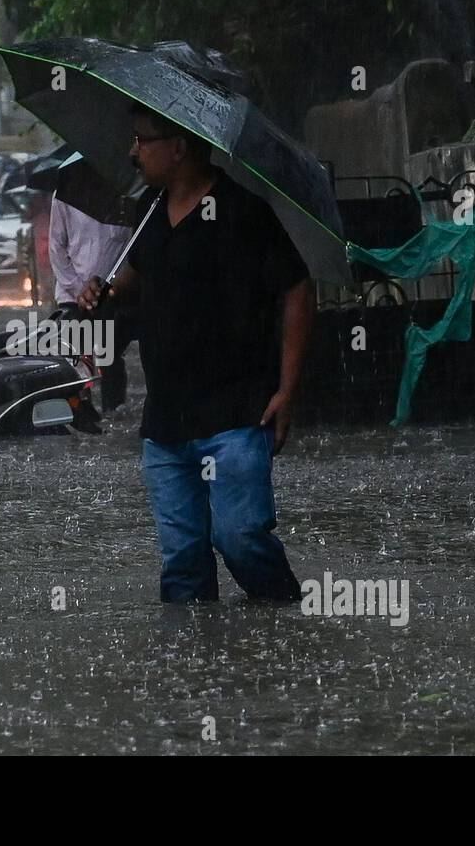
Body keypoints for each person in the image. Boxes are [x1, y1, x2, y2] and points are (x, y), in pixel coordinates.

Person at [78, 104, 315, 603]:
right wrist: (103, 289)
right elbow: (134, 278)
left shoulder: (242, 212)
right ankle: (192, 669)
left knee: (240, 538)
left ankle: (288, 636)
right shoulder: (149, 213)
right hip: (166, 424)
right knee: (182, 566)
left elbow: (297, 290)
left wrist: (288, 391)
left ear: (179, 147)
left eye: (142, 141)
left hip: (236, 412)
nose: (133, 151)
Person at [49, 159, 137, 411]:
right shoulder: (65, 195)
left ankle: (113, 410)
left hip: (112, 293)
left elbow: (131, 249)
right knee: (74, 355)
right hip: (71, 292)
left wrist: (113, 285)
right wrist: (78, 290)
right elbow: (56, 248)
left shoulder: (125, 201)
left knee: (109, 355)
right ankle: (78, 409)